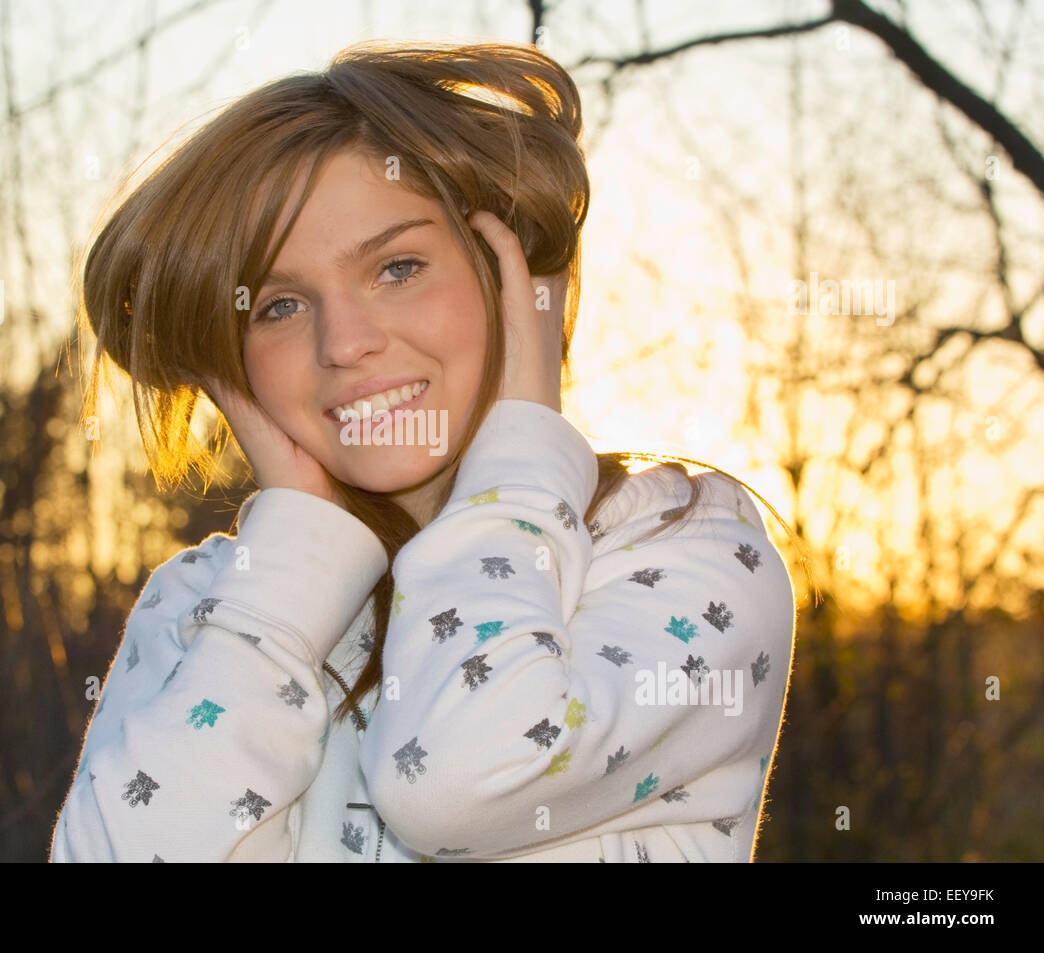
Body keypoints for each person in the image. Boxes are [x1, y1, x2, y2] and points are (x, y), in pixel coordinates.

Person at [50, 40, 804, 862]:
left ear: (510, 279)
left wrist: (520, 457)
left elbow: (458, 782)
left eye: (398, 267)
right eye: (278, 305)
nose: (345, 343)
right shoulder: (213, 610)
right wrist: (292, 570)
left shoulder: (684, 553)